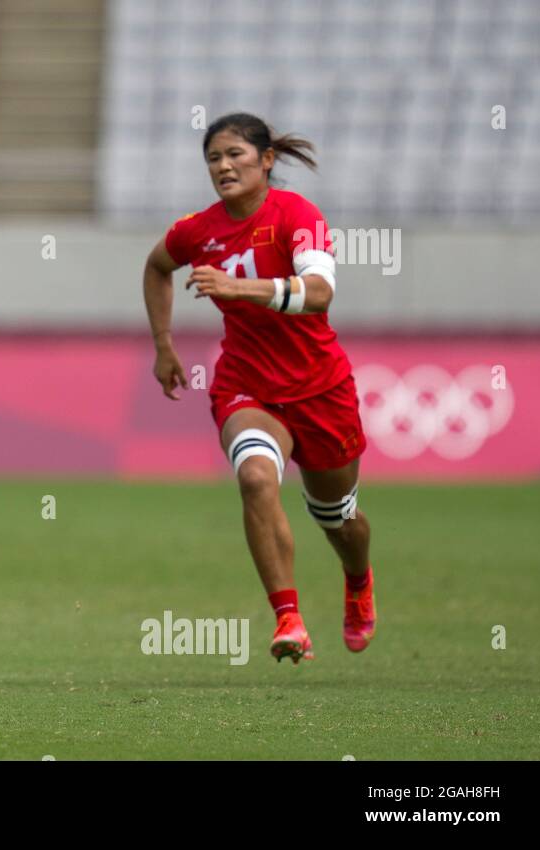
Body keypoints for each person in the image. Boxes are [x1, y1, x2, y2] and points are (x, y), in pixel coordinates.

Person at [141, 113, 375, 664]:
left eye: (235, 155)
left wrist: (236, 286)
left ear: (266, 160)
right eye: (214, 159)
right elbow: (156, 267)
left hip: (321, 389)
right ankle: (289, 618)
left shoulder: (297, 214)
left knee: (339, 521)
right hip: (248, 387)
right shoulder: (197, 230)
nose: (223, 166)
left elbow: (318, 294)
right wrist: (163, 344)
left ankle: (359, 580)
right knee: (253, 476)